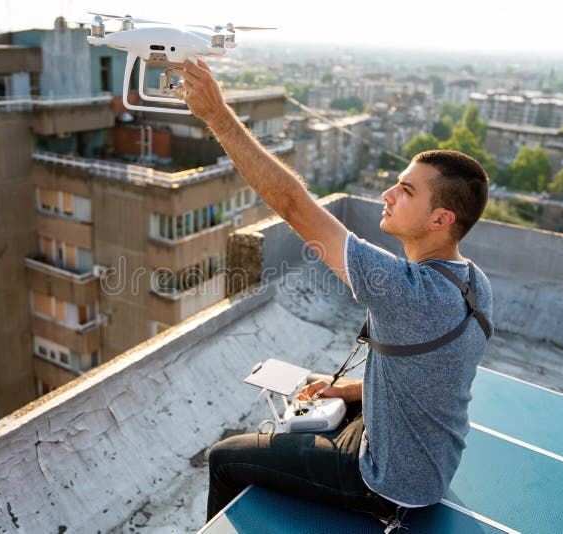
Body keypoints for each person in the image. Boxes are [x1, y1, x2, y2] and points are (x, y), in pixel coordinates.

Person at [182, 59, 494, 524]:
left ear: (440, 219)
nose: (388, 194)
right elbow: (426, 375)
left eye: (406, 190)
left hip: (386, 481)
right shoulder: (473, 281)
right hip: (426, 464)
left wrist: (217, 117)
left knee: (227, 459)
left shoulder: (404, 290)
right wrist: (348, 390)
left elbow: (294, 205)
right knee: (310, 418)